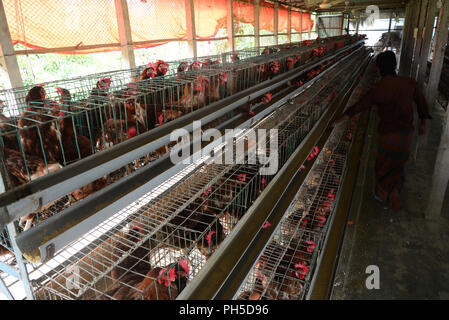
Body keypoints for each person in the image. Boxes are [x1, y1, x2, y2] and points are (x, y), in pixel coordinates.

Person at [333, 51, 431, 211]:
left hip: (388, 134)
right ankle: (395, 191)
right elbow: (421, 103)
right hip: (405, 133)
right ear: (394, 66)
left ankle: (383, 193)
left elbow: (359, 106)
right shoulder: (409, 83)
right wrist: (423, 122)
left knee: (383, 164)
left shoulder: (378, 89)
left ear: (378, 69)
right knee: (398, 162)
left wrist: (338, 120)